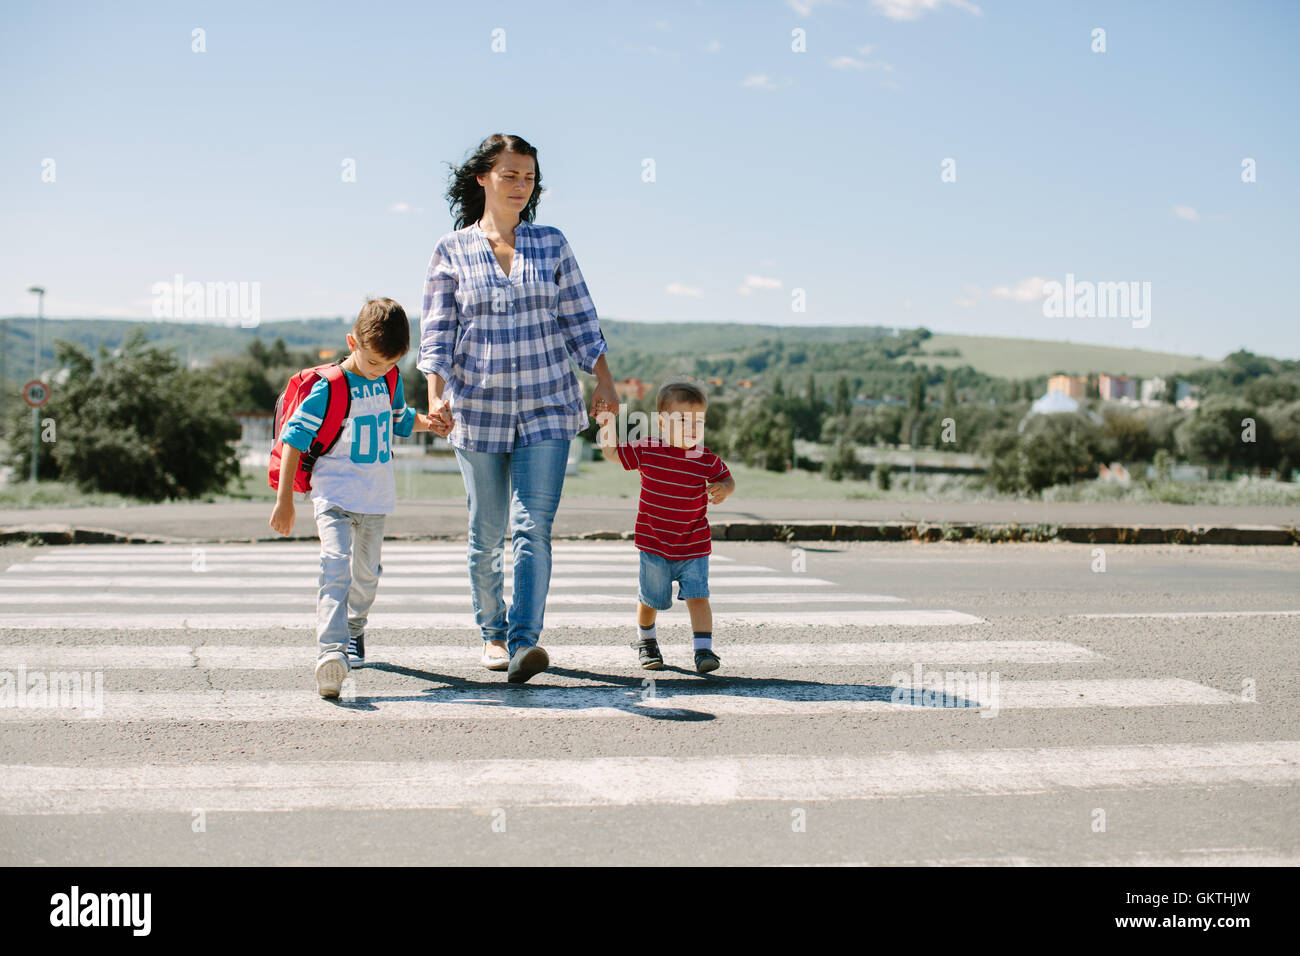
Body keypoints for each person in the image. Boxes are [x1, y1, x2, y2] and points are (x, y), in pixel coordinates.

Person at [417, 133, 620, 684]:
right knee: (487, 529)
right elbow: (437, 333)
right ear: (483, 177)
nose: (520, 186)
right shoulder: (451, 250)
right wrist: (436, 396)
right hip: (478, 408)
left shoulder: (551, 243)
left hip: (548, 403)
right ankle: (493, 631)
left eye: (529, 178)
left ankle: (525, 643)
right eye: (510, 175)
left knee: (533, 527)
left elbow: (581, 320)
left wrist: (603, 381)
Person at [269, 298, 442, 698]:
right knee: (335, 568)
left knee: (366, 577)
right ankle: (330, 654)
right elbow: (294, 440)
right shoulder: (329, 388)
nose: (380, 371)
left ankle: (354, 630)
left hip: (376, 498)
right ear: (352, 342)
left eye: (389, 364)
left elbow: (400, 420)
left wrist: (429, 423)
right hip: (333, 495)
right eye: (374, 363)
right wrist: (285, 501)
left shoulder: (390, 378)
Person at [597, 379, 735, 673]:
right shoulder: (648, 449)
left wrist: (724, 487)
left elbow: (727, 478)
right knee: (651, 600)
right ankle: (646, 641)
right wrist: (607, 424)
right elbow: (611, 453)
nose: (692, 427)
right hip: (654, 545)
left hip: (694, 545)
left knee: (699, 597)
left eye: (699, 420)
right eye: (683, 419)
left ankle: (703, 651)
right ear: (662, 422)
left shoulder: (703, 457)